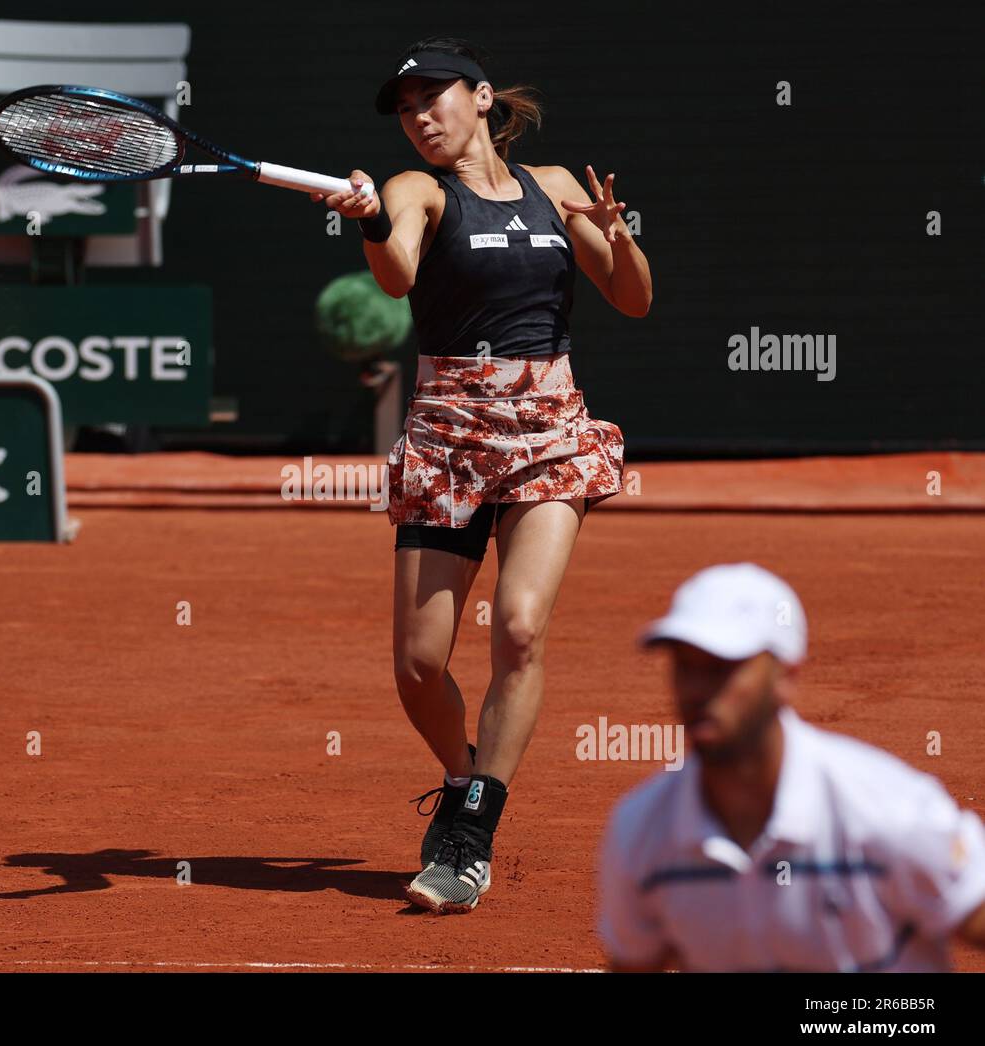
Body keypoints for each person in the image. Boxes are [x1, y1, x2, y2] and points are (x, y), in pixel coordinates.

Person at [314, 37, 653, 913]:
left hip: (548, 432)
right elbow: (396, 278)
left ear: (483, 97)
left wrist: (616, 237)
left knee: (522, 627)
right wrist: (366, 220)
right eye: (405, 106)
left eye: (435, 97)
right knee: (421, 666)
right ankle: (465, 781)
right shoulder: (413, 191)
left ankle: (471, 834)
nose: (420, 116)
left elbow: (634, 298)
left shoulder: (557, 187)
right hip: (449, 437)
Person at [598, 562, 985, 971]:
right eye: (685, 666)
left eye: (721, 670)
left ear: (786, 675)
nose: (698, 690)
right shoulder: (640, 829)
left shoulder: (890, 813)